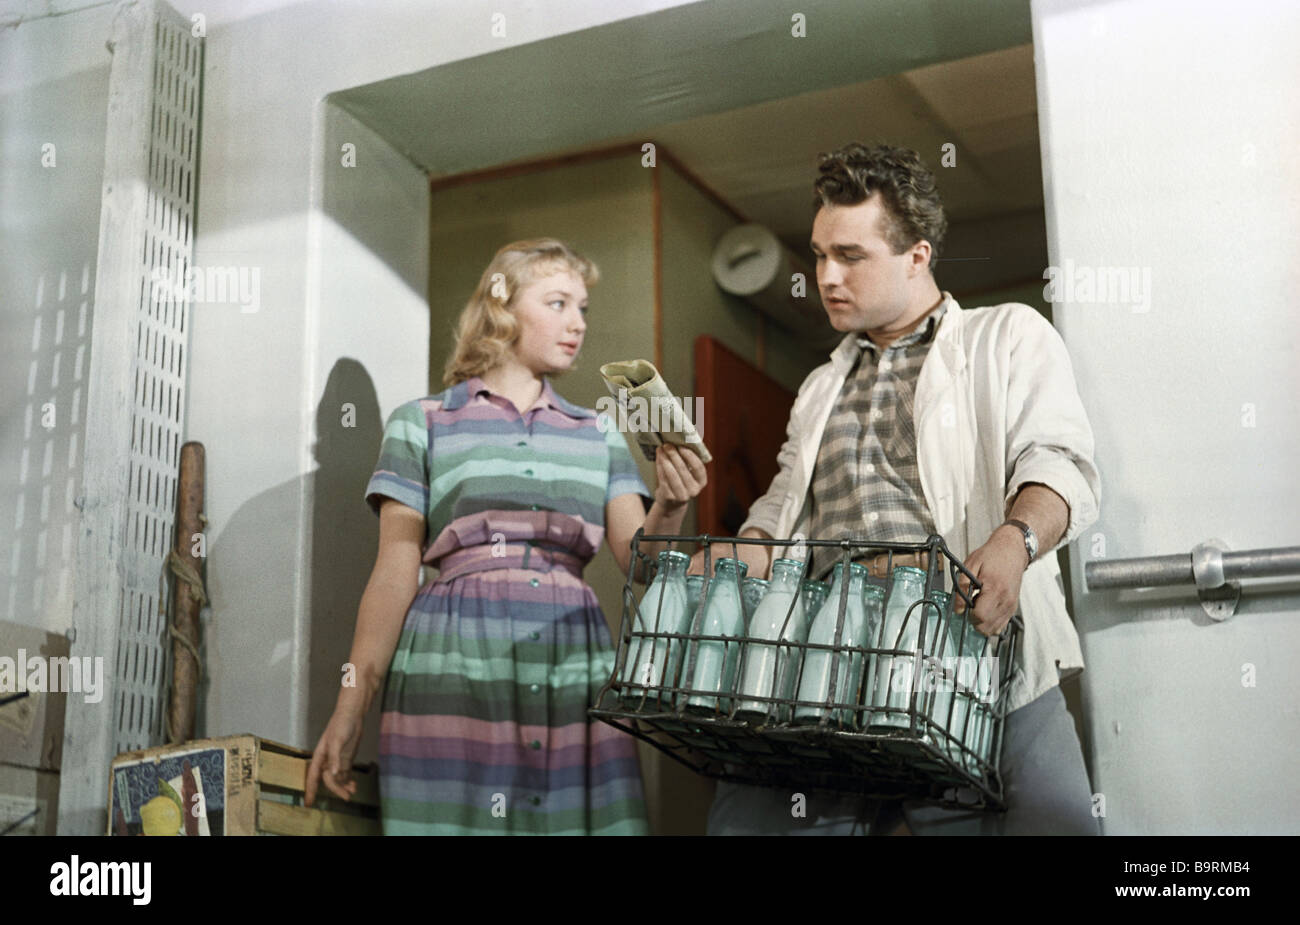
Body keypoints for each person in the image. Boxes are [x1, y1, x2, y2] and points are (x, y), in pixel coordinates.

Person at [701, 143, 1102, 835]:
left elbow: (1059, 460)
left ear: (917, 254)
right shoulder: (821, 384)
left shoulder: (1004, 338)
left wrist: (1016, 540)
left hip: (977, 651)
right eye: (820, 253)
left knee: (1050, 823)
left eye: (850, 255)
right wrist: (749, 548)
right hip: (831, 660)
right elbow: (785, 501)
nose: (825, 275)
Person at [305, 238, 707, 834]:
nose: (578, 324)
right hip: (453, 660)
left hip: (571, 659)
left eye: (584, 309)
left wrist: (671, 505)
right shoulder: (423, 422)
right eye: (558, 303)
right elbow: (394, 572)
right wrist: (350, 703)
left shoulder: (598, 432)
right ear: (502, 306)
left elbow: (644, 571)